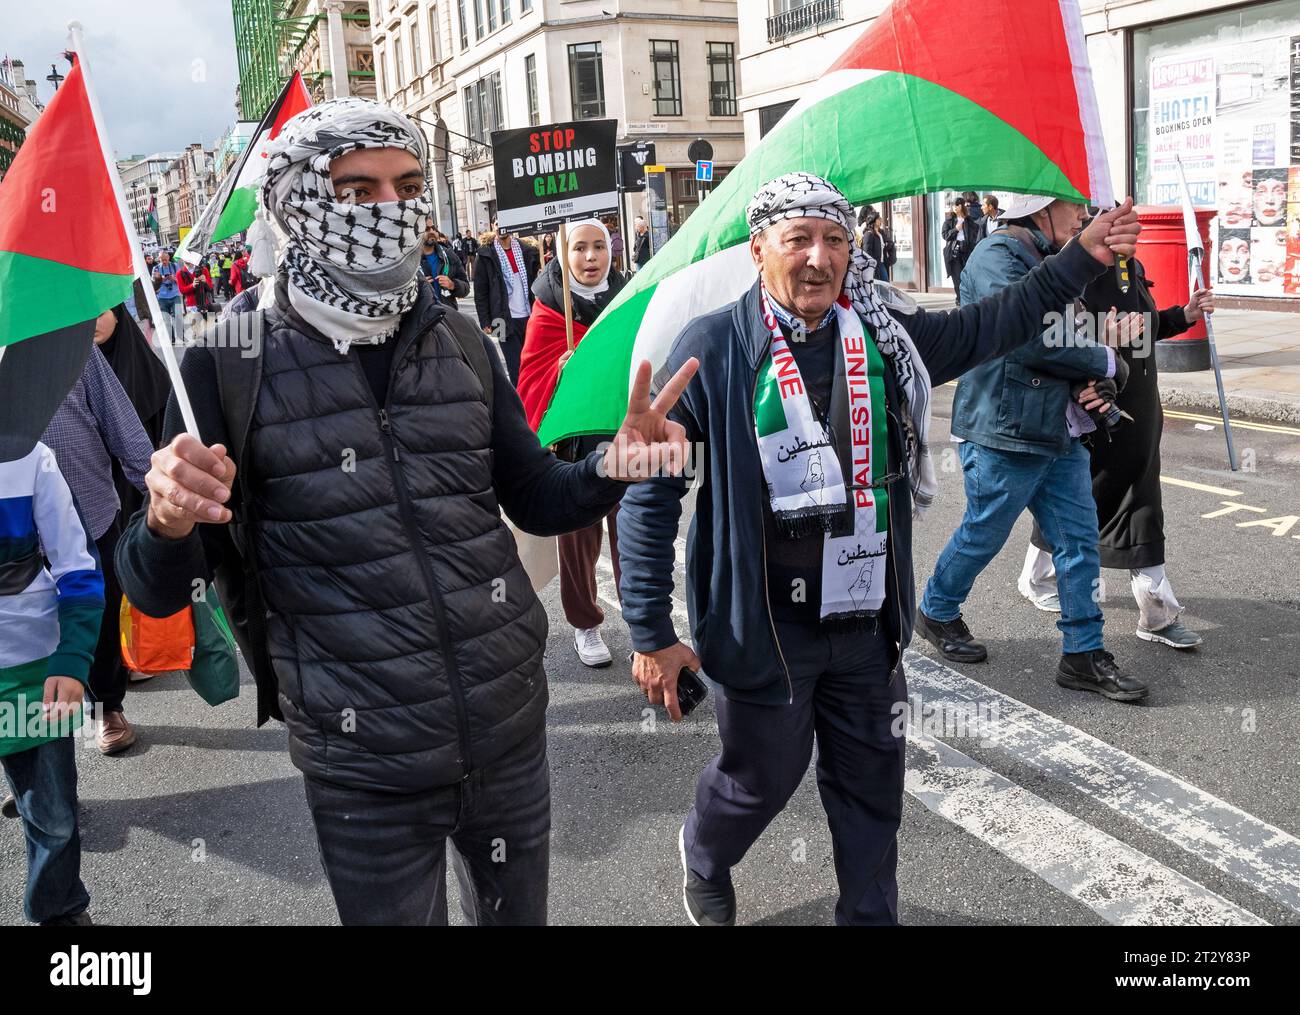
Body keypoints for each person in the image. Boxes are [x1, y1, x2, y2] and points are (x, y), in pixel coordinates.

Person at [114, 98, 698, 927]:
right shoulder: (225, 359)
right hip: (363, 768)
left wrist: (610, 467)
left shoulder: (461, 339)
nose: (390, 211)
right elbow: (157, 586)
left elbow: (531, 493)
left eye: (408, 186)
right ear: (295, 203)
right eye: (357, 192)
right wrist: (167, 518)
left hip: (508, 734)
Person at [616, 172, 1141, 926]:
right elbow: (651, 491)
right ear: (758, 247)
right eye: (798, 238)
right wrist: (650, 632)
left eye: (835, 239)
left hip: (865, 621)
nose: (818, 258)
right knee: (759, 779)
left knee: (871, 793)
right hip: (766, 628)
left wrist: (1081, 258)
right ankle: (704, 846)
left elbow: (990, 324)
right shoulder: (714, 349)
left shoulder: (885, 335)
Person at [918, 192, 1147, 703]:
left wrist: (1099, 369)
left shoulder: (1050, 257)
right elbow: (1029, 339)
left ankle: (1083, 653)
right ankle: (936, 610)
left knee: (1079, 541)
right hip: (1006, 428)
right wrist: (1106, 362)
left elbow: (1074, 334)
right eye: (1075, 209)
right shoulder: (995, 256)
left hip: (1058, 427)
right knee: (983, 534)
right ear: (1040, 209)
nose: (1084, 218)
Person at [1019, 254, 1214, 650]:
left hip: (1141, 412)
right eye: (1121, 223)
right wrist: (1102, 340)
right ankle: (1036, 577)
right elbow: (1054, 339)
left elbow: (1144, 328)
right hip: (1098, 408)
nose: (1133, 230)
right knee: (1085, 498)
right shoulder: (1074, 273)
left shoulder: (1133, 267)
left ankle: (1157, 614)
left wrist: (1185, 314)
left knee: (1142, 502)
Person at [0, 441, 105, 925]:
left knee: (54, 817)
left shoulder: (31, 457)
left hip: (27, 667)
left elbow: (77, 566)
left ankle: (59, 912)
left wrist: (72, 656)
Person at [517, 220, 628, 668]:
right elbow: (527, 386)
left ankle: (644, 621)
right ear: (562, 255)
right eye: (579, 248)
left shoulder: (627, 300)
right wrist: (560, 373)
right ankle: (586, 623)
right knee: (579, 541)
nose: (590, 257)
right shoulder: (548, 312)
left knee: (635, 537)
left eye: (599, 246)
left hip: (624, 440)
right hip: (575, 449)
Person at [42, 332, 155, 753]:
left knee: (98, 617)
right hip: (13, 536)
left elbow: (119, 419)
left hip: (90, 514)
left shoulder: (72, 343)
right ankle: (33, 765)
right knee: (26, 640)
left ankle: (106, 706)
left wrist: (156, 489)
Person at [474, 222, 540, 385]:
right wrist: (485, 321)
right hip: (500, 319)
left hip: (530, 316)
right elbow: (480, 291)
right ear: (492, 226)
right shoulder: (485, 255)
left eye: (505, 222)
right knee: (514, 367)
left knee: (532, 363)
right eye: (497, 223)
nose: (501, 226)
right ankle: (521, 406)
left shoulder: (527, 251)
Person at [419, 218, 470, 311]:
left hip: (448, 316)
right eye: (427, 229)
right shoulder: (410, 260)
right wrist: (417, 287)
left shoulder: (449, 254)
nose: (432, 231)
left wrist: (453, 285)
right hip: (423, 318)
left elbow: (466, 287)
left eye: (433, 228)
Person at [941, 197, 977, 302]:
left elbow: (975, 234)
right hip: (954, 251)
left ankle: (968, 298)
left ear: (962, 206)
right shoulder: (949, 221)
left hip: (967, 250)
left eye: (958, 205)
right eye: (955, 205)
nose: (956, 207)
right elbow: (945, 235)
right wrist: (956, 229)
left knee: (967, 275)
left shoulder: (969, 220)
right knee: (957, 277)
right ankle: (959, 298)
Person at [152, 250, 181, 320]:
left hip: (175, 295)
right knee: (166, 319)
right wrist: (161, 279)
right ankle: (170, 331)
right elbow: (153, 285)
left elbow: (181, 281)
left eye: (166, 259)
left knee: (178, 317)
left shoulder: (175, 266)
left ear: (168, 257)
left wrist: (173, 278)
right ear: (159, 259)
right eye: (162, 260)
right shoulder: (155, 269)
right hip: (162, 297)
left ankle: (179, 330)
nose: (164, 262)